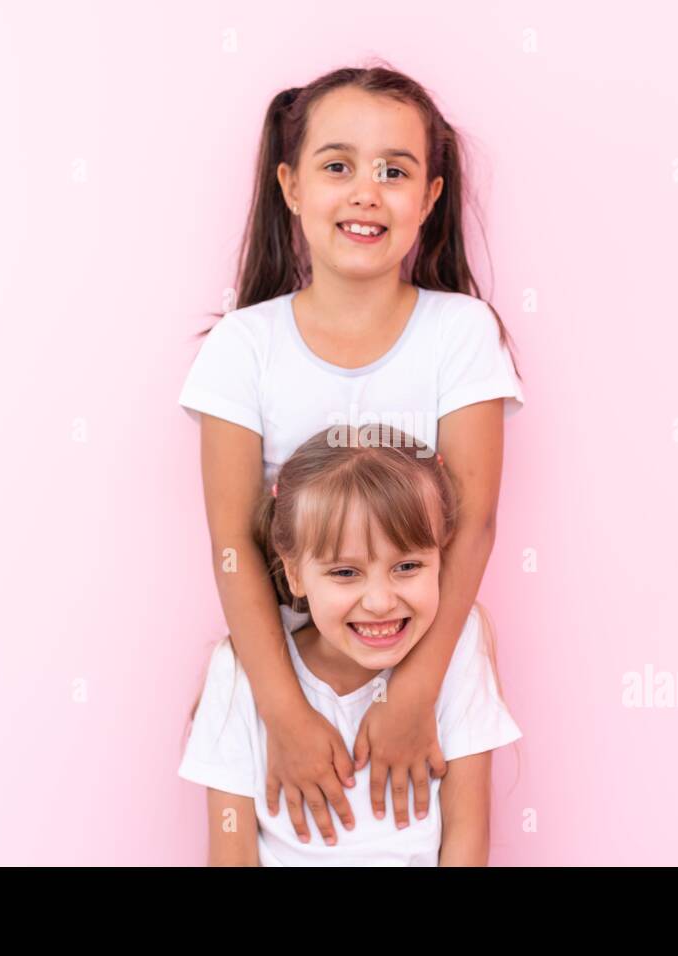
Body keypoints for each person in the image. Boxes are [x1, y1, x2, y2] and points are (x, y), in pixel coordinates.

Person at [178, 63, 524, 846]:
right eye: (338, 167)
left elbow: (473, 524)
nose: (366, 191)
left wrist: (413, 695)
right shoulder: (244, 348)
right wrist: (285, 714)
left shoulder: (461, 333)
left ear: (430, 198)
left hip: (420, 648)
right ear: (291, 187)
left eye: (393, 171)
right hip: (293, 663)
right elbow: (234, 542)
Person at [179, 425, 522, 865]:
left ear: (443, 554)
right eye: (345, 573)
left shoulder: (459, 649)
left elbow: (466, 843)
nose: (379, 601)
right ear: (296, 573)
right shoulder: (236, 672)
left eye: (408, 566)